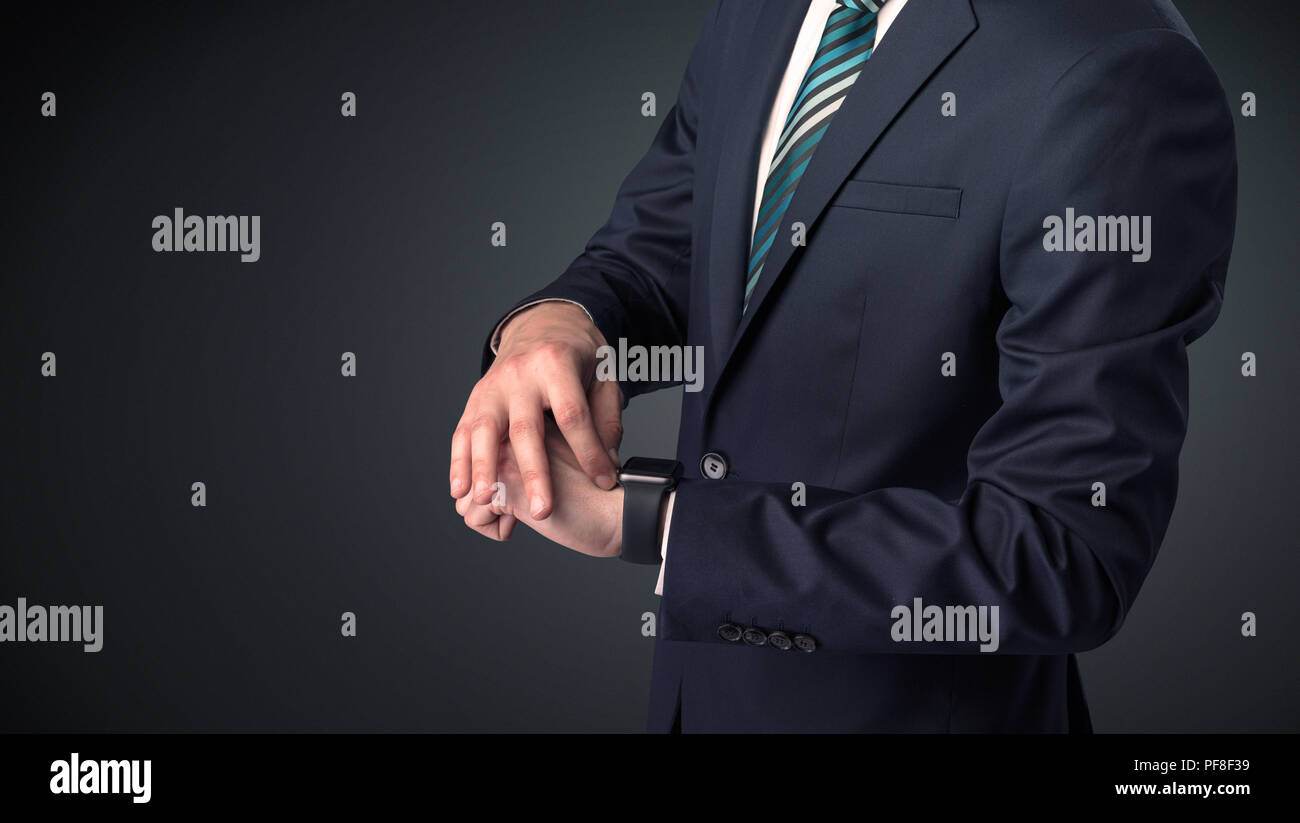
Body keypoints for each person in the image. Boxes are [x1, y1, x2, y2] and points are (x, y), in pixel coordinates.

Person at [451, 0, 1237, 732]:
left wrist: (661, 526)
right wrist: (559, 325)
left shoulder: (1118, 68)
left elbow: (1062, 550)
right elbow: (676, 244)